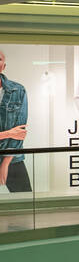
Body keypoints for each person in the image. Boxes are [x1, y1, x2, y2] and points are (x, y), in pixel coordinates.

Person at [0, 49, 31, 193]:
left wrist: (5, 163)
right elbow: (13, 133)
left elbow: (20, 131)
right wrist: (8, 133)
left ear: (4, 65)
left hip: (12, 157)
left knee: (24, 200)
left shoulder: (18, 90)